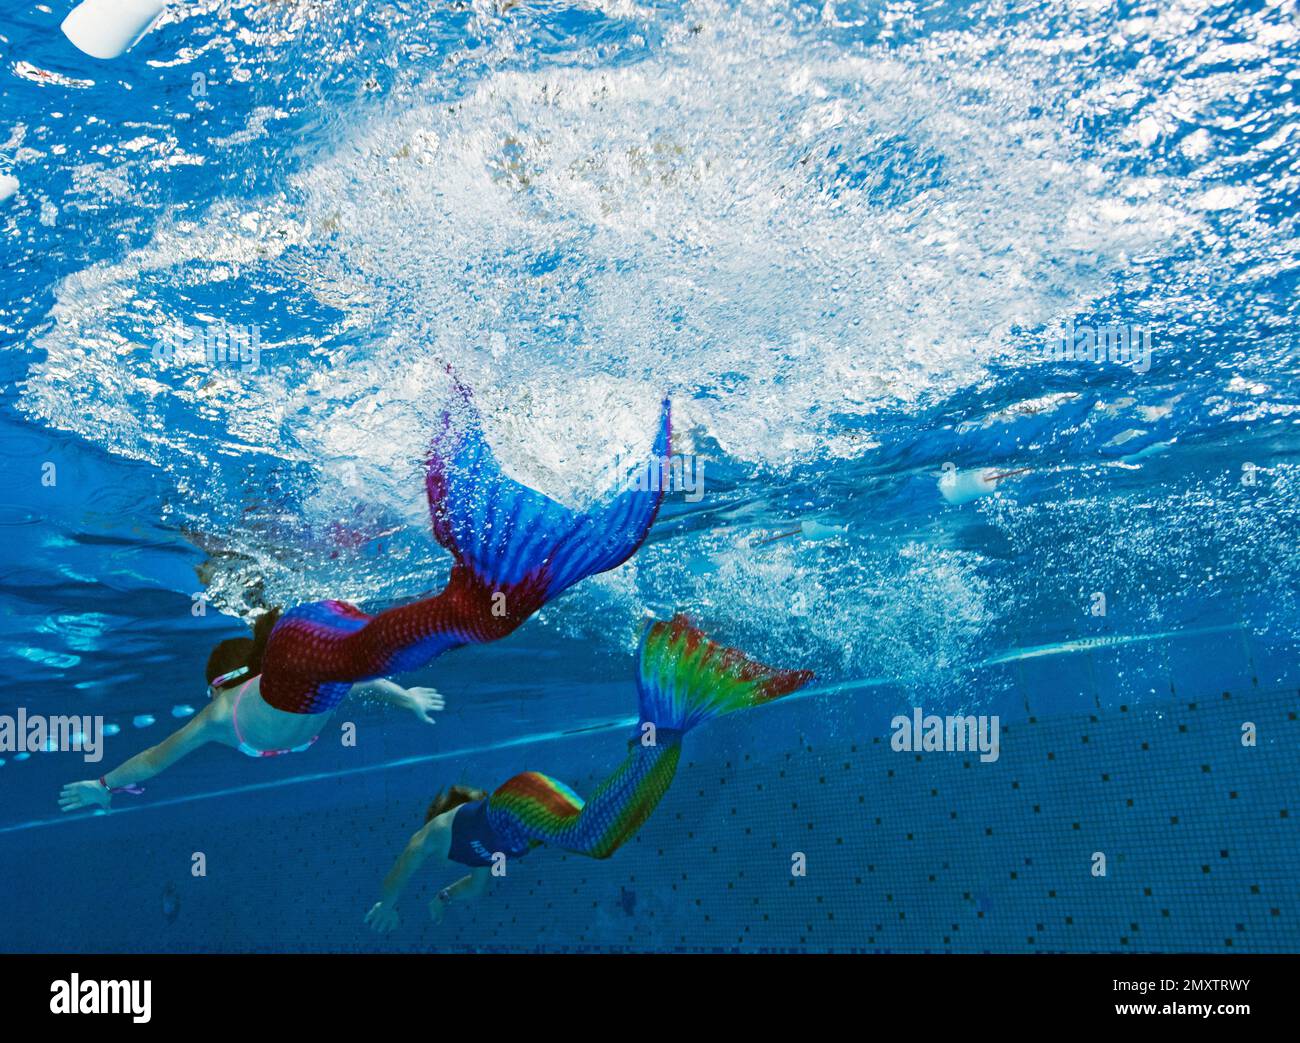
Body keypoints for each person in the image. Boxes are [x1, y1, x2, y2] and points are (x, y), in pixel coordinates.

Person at [59, 386, 671, 812]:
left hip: (314, 648)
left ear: (226, 683)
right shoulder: (255, 687)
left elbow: (156, 760)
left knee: (442, 629)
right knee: (370, 651)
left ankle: (483, 595)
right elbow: (358, 675)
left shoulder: (223, 718)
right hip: (326, 637)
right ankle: (475, 593)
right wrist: (403, 697)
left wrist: (105, 785)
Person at [364, 615, 812, 933]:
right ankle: (673, 720)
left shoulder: (441, 832)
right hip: (531, 801)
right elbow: (475, 889)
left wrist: (387, 900)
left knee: (592, 839)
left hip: (516, 801)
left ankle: (662, 704)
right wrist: (442, 898)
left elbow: (409, 855)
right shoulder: (475, 855)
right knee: (602, 835)